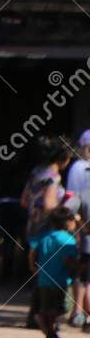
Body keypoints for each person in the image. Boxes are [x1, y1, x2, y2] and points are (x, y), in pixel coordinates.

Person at [29, 206, 79, 338]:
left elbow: (33, 251)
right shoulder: (67, 240)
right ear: (68, 222)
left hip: (43, 279)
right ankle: (42, 318)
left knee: (47, 306)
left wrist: (33, 266)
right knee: (63, 308)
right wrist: (78, 267)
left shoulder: (44, 236)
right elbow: (67, 260)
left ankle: (50, 334)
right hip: (60, 280)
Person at [69, 131, 90, 328]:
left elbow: (71, 200)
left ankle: (78, 312)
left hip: (83, 230)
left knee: (82, 274)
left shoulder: (77, 168)